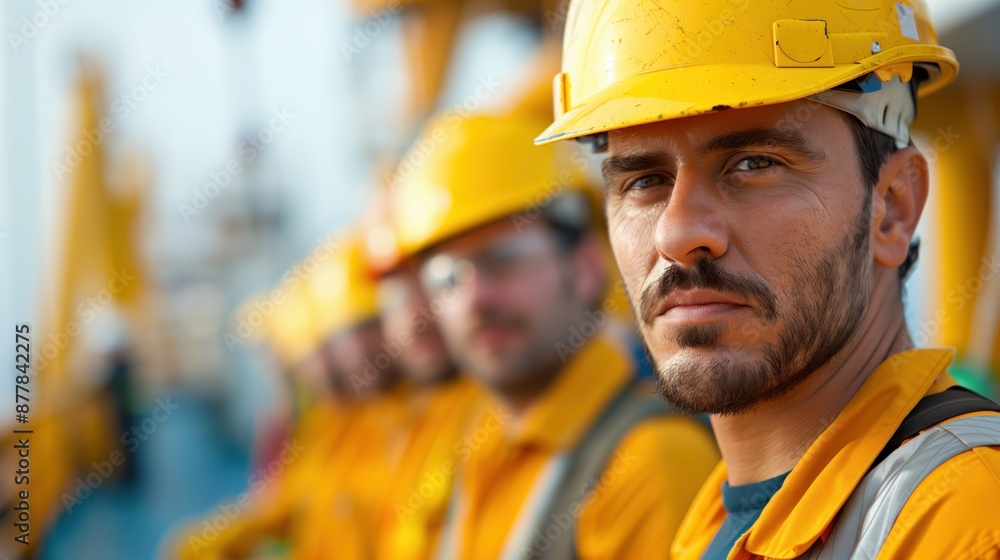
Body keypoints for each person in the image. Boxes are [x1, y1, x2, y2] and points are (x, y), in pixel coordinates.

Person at [535, 1, 1000, 558]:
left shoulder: (967, 517)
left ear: (892, 208)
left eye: (754, 163)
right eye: (645, 181)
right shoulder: (715, 524)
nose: (677, 233)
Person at [390, 109, 719, 559]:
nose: (475, 298)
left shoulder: (650, 458)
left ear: (584, 267)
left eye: (503, 258)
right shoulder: (481, 439)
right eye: (447, 277)